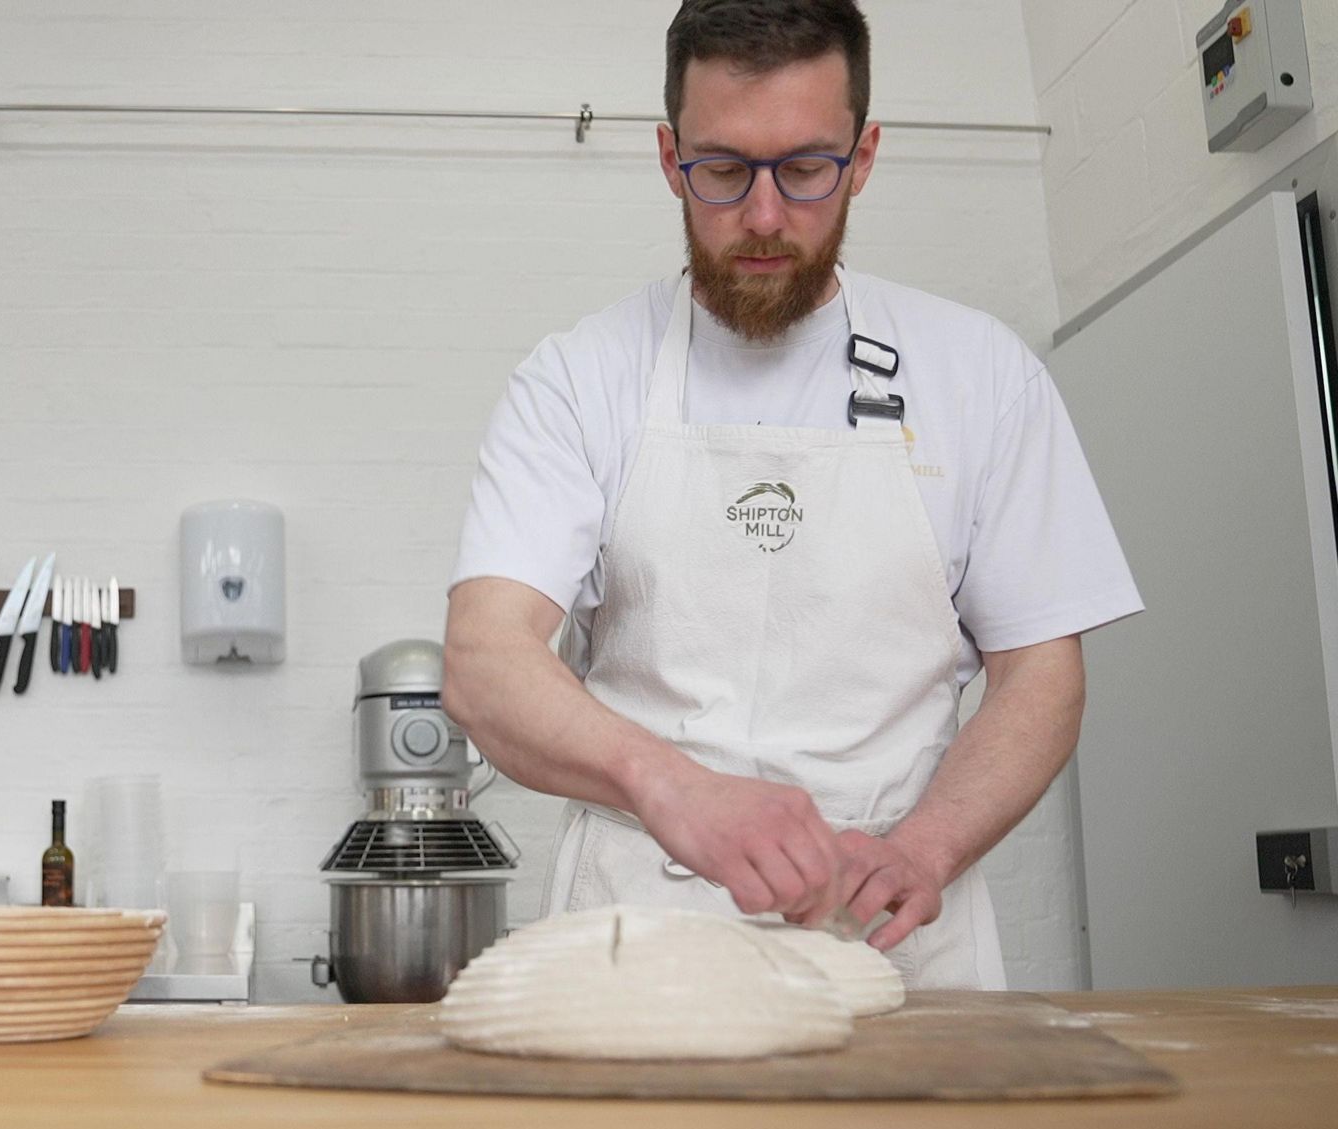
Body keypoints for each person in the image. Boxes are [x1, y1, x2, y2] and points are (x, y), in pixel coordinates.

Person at [441, 0, 1141, 989]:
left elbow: (1039, 674)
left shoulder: (980, 375)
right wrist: (672, 788)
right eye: (723, 170)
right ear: (668, 157)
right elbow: (484, 660)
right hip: (637, 943)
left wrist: (923, 849)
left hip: (893, 935)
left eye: (806, 169)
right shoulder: (577, 379)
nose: (764, 216)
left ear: (862, 158)